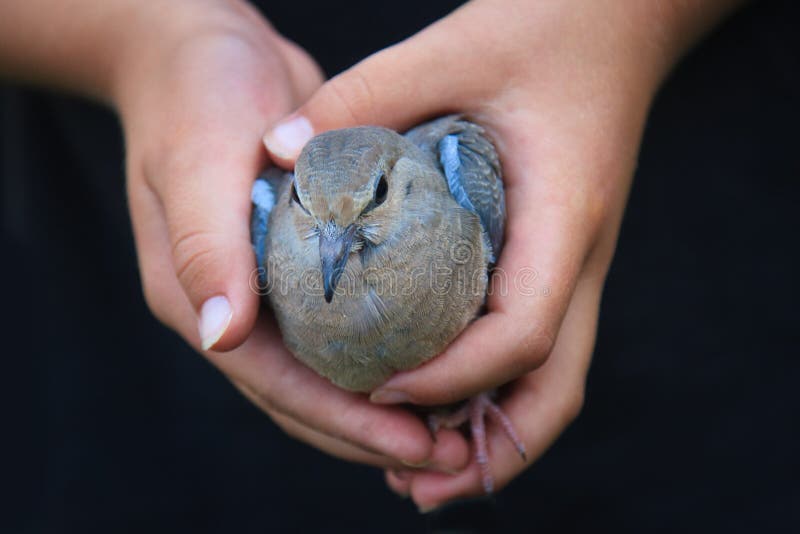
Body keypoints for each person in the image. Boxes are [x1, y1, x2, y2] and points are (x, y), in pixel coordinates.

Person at [4, 0, 798, 531]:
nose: (331, 251)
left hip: (693, 303)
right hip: (149, 407)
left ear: (403, 179)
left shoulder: (458, 175)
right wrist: (154, 42)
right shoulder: (265, 216)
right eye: (314, 221)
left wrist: (614, 26)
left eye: (368, 208)